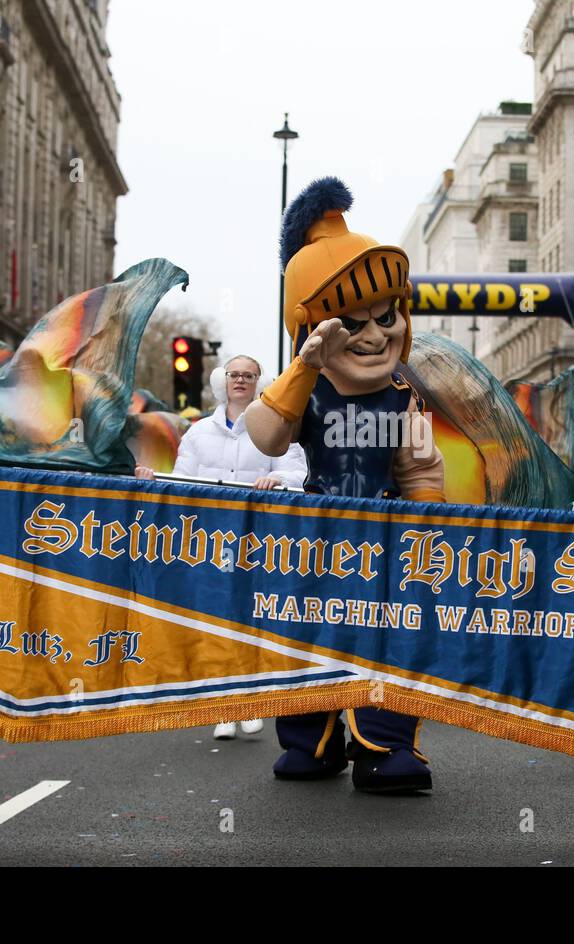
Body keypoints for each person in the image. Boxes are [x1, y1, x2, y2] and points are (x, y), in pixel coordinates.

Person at [246, 176, 445, 793]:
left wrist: (430, 530)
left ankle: (386, 746)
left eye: (386, 317)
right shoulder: (307, 387)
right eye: (351, 322)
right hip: (317, 538)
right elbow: (267, 437)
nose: (373, 333)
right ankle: (313, 741)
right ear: (311, 325)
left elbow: (419, 470)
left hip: (389, 542)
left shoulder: (404, 394)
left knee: (391, 638)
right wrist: (304, 367)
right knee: (306, 633)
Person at [135, 353, 307, 739]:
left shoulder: (278, 429)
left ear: (260, 383)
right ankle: (224, 708)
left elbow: (298, 472)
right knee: (217, 620)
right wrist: (150, 479)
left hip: (259, 541)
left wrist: (278, 478)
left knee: (251, 620)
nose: (241, 381)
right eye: (235, 375)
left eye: (249, 375)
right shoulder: (198, 433)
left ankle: (250, 701)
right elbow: (180, 482)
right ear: (222, 380)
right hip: (213, 542)